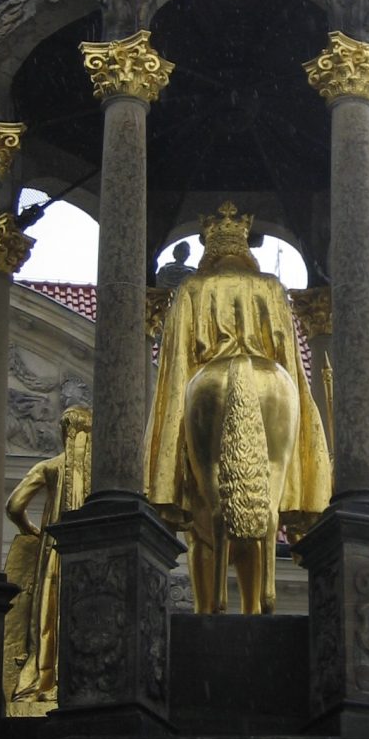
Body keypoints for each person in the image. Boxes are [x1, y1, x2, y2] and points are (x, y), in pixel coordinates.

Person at [144, 203, 329, 614]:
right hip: (274, 386)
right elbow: (288, 358)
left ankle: (208, 608)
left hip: (205, 386)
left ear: (210, 248)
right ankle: (257, 603)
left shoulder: (191, 289)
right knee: (265, 492)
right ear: (244, 248)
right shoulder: (270, 288)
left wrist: (167, 449)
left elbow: (177, 364)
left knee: (203, 506)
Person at [3, 405, 92, 706]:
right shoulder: (97, 475)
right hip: (90, 554)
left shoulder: (50, 466)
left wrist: (30, 530)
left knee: (47, 612)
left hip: (53, 552)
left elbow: (14, 505)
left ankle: (42, 678)